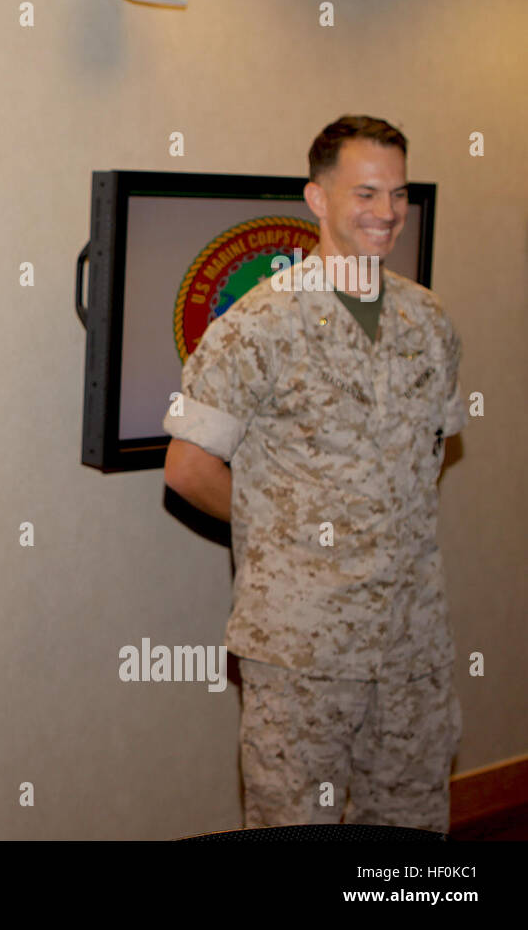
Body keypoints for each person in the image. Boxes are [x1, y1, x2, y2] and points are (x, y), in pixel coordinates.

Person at [162, 115, 466, 832]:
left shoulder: (429, 322)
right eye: (366, 192)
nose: (386, 212)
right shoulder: (257, 325)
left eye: (397, 193)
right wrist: (287, 537)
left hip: (410, 641)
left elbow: (433, 452)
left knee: (411, 826)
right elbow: (188, 467)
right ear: (318, 198)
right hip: (302, 649)